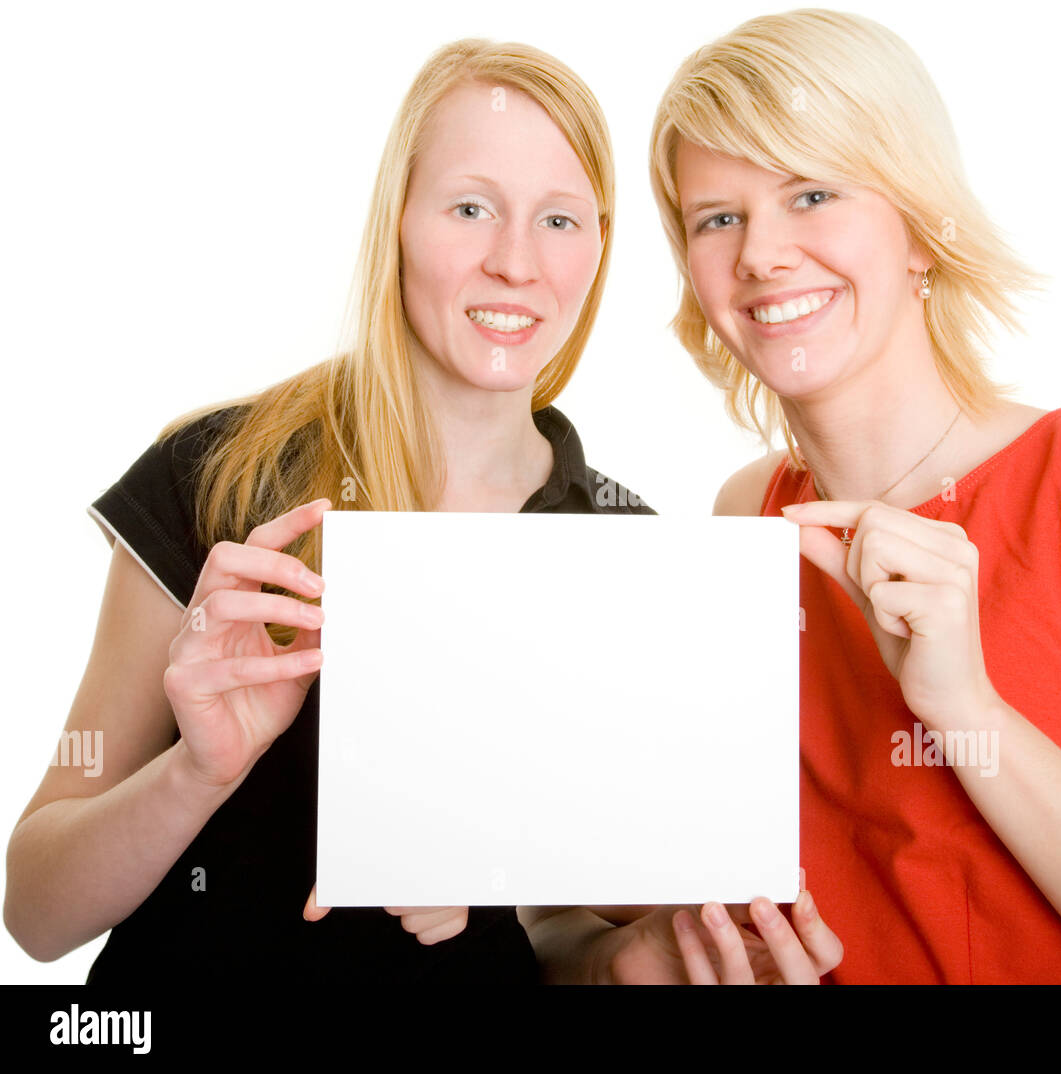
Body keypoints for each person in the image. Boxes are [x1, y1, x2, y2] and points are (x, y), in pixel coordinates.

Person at [535, 9, 1061, 984]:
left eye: (811, 194)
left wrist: (963, 708)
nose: (761, 254)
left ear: (920, 232)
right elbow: (605, 910)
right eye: (716, 218)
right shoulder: (742, 518)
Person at [2, 38, 657, 987]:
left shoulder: (631, 549)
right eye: (470, 207)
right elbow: (35, 912)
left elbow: (612, 913)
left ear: (599, 246)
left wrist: (506, 866)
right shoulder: (221, 472)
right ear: (396, 219)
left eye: (559, 219)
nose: (516, 262)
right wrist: (197, 775)